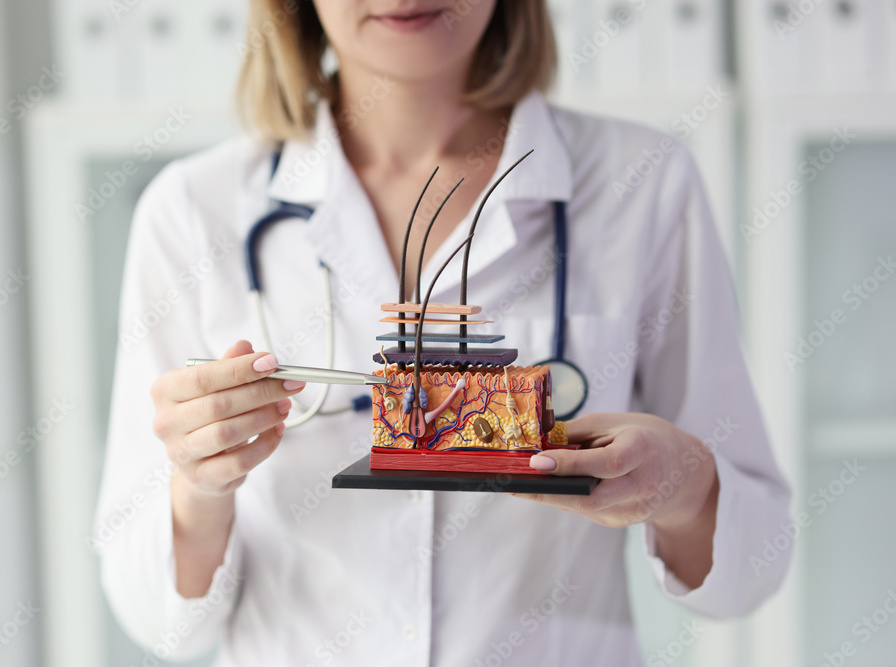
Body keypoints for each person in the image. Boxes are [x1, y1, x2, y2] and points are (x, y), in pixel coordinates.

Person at [94, 1, 792, 664]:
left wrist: (684, 484)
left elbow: (752, 569)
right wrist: (200, 485)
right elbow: (162, 621)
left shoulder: (643, 183)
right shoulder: (190, 212)